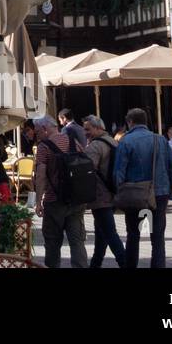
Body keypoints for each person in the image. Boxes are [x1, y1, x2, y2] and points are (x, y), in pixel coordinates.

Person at [114, 108, 172, 269]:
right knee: (157, 237)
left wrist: (118, 193)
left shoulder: (126, 141)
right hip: (159, 194)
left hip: (134, 194)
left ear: (130, 122)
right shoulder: (160, 140)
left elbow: (118, 172)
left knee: (133, 235)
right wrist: (171, 191)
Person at [33, 115, 89, 268]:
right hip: (76, 199)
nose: (37, 136)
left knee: (52, 242)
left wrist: (38, 201)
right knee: (77, 241)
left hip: (54, 201)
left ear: (44, 129)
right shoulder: (73, 141)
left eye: (37, 132)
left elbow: (40, 176)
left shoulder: (44, 146)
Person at [82, 115, 125, 268]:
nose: (85, 132)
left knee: (110, 233)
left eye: (88, 129)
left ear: (97, 128)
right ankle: (95, 264)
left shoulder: (94, 146)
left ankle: (124, 262)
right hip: (113, 192)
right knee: (101, 233)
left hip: (100, 195)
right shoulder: (114, 142)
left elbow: (87, 170)